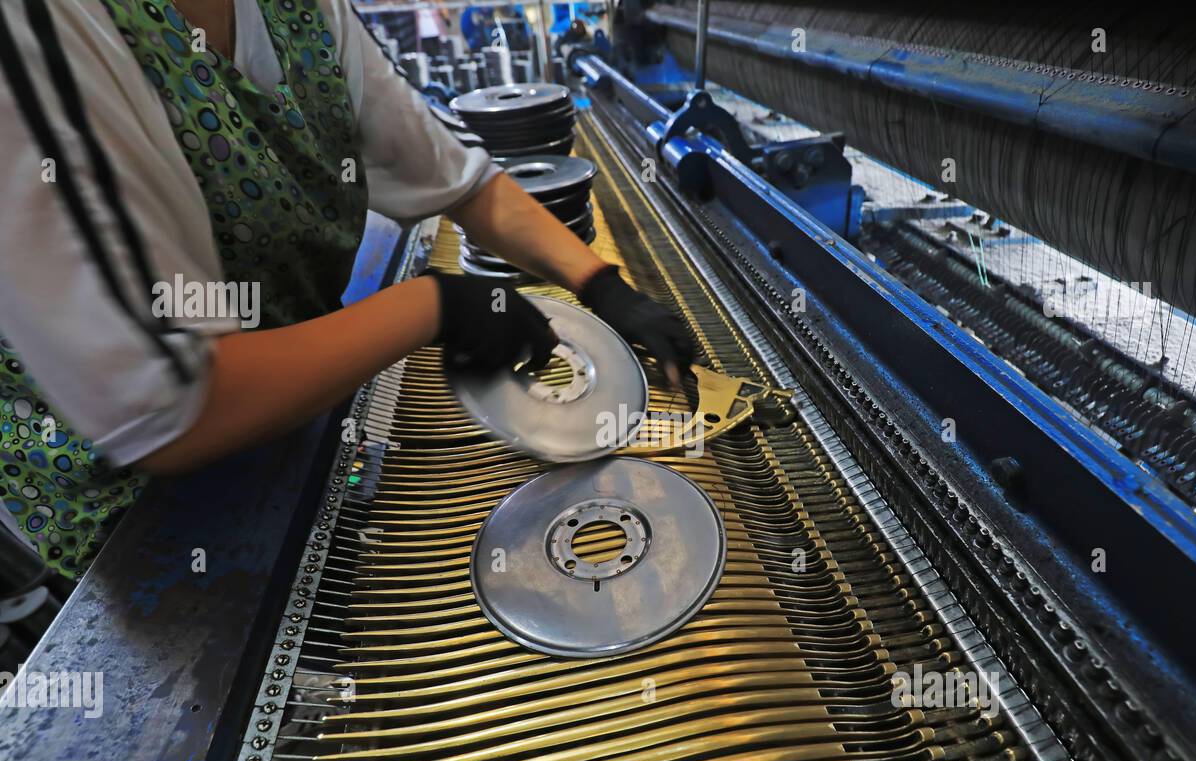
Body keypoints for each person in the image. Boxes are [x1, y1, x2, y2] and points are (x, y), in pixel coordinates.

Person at [0, 0, 692, 578]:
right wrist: (433, 305)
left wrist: (599, 283)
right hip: (143, 511)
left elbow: (452, 172)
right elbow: (168, 403)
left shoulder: (298, 10)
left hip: (299, 399)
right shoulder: (42, 31)